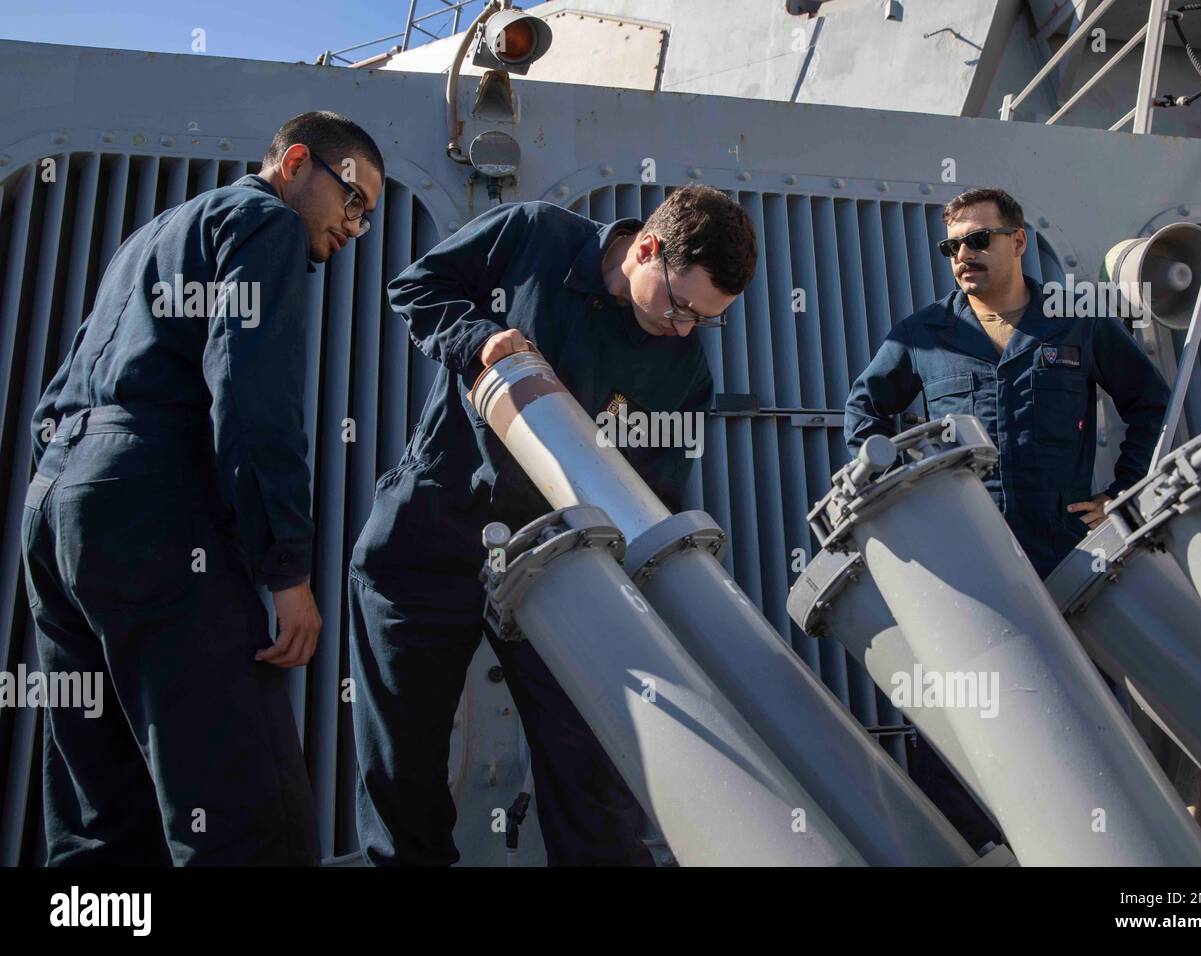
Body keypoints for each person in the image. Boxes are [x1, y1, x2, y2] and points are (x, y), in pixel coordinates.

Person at [349, 185, 757, 866]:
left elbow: (651, 497)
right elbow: (416, 287)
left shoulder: (684, 372)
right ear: (646, 249)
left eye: (706, 320)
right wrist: (479, 340)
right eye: (682, 306)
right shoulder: (534, 233)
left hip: (563, 567)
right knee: (403, 767)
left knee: (592, 772)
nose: (686, 329)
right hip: (433, 532)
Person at [22, 110, 384, 865]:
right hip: (155, 506)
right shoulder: (266, 224)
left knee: (98, 813)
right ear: (295, 163)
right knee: (242, 806)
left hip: (62, 505)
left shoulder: (152, 235)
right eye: (354, 201)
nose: (358, 227)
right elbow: (254, 405)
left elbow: (63, 387)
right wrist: (287, 571)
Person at [843, 186, 1170, 851]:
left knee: (1085, 703)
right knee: (963, 713)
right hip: (962, 556)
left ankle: (1104, 847)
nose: (963, 255)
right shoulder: (922, 335)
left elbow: (1148, 400)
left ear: (1018, 241)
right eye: (952, 245)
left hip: (1061, 549)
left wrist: (1124, 493)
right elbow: (863, 413)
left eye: (978, 240)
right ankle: (966, 851)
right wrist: (902, 498)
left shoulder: (1077, 321)